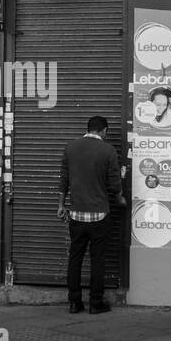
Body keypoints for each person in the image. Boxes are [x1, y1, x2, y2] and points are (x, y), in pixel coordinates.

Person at [57, 115, 125, 314]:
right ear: (104, 131)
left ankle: (74, 302)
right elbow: (114, 184)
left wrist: (61, 205)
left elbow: (64, 179)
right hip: (99, 216)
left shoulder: (71, 148)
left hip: (76, 215)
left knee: (75, 258)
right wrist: (120, 198)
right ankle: (96, 303)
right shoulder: (108, 150)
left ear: (88, 129)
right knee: (98, 260)